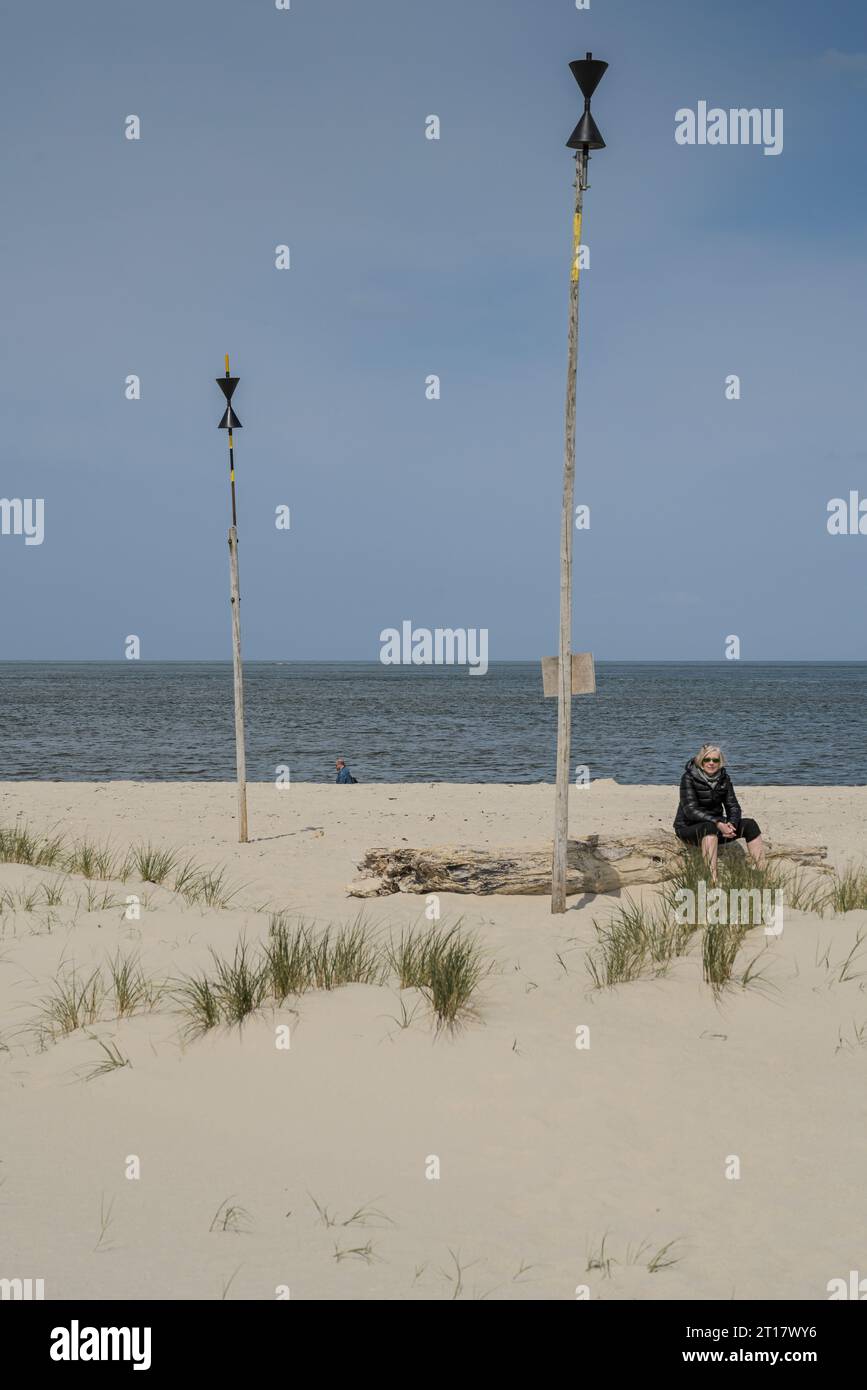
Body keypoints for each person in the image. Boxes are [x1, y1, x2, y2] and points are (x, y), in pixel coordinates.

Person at [674, 744, 765, 883]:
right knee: (709, 828)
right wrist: (717, 823)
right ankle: (713, 880)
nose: (711, 763)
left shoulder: (724, 778)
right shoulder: (688, 778)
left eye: (715, 760)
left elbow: (733, 806)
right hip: (688, 827)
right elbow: (690, 810)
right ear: (701, 761)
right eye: (707, 759)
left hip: (717, 825)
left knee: (750, 825)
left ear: (720, 762)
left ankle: (762, 874)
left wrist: (731, 824)